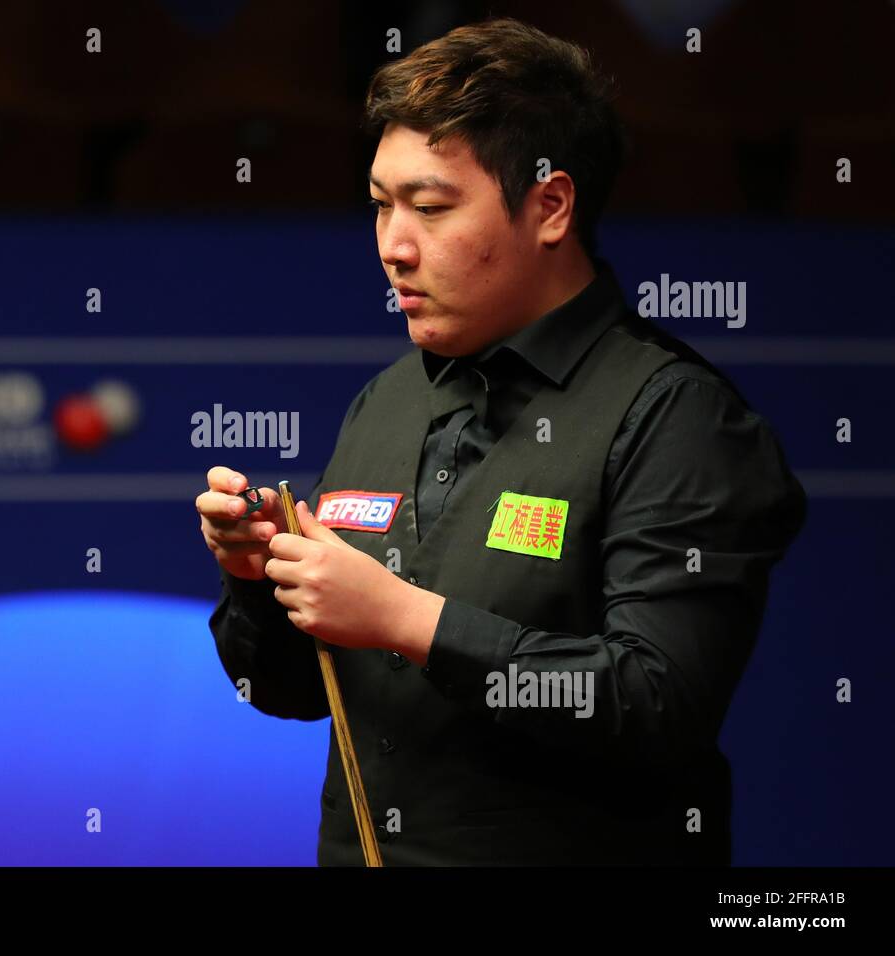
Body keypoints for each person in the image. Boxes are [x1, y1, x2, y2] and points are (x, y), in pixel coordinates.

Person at [196, 18, 806, 865]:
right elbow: (294, 691)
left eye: (432, 208)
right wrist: (257, 579)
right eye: (379, 207)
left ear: (550, 206)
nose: (393, 249)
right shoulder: (387, 400)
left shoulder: (678, 417)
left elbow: (657, 708)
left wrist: (407, 619)